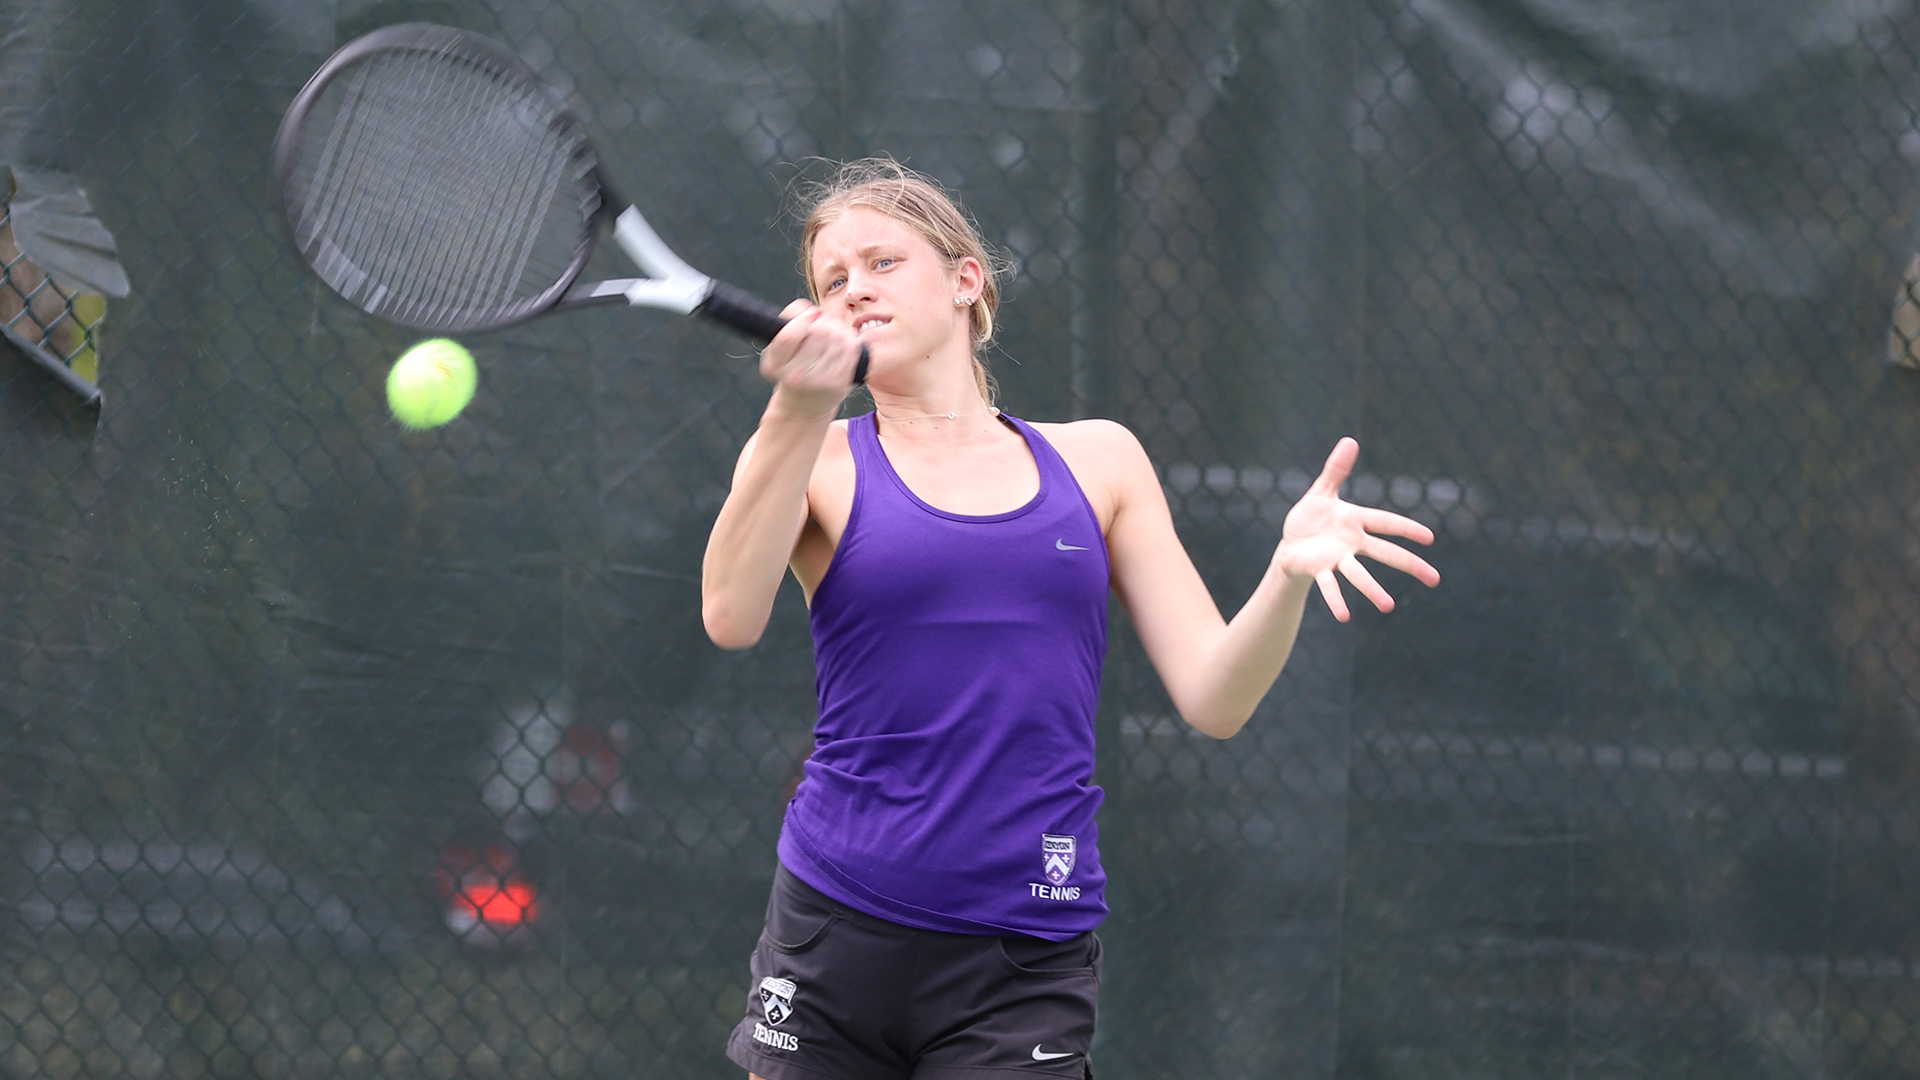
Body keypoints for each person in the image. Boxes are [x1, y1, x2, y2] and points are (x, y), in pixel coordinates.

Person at [704, 159, 1439, 1080]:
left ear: (966, 280)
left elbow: (1216, 697)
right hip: (835, 922)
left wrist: (1285, 573)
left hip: (1023, 950)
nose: (855, 290)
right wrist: (795, 407)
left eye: (883, 262)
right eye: (832, 280)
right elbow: (729, 614)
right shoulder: (813, 454)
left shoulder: (1100, 462)